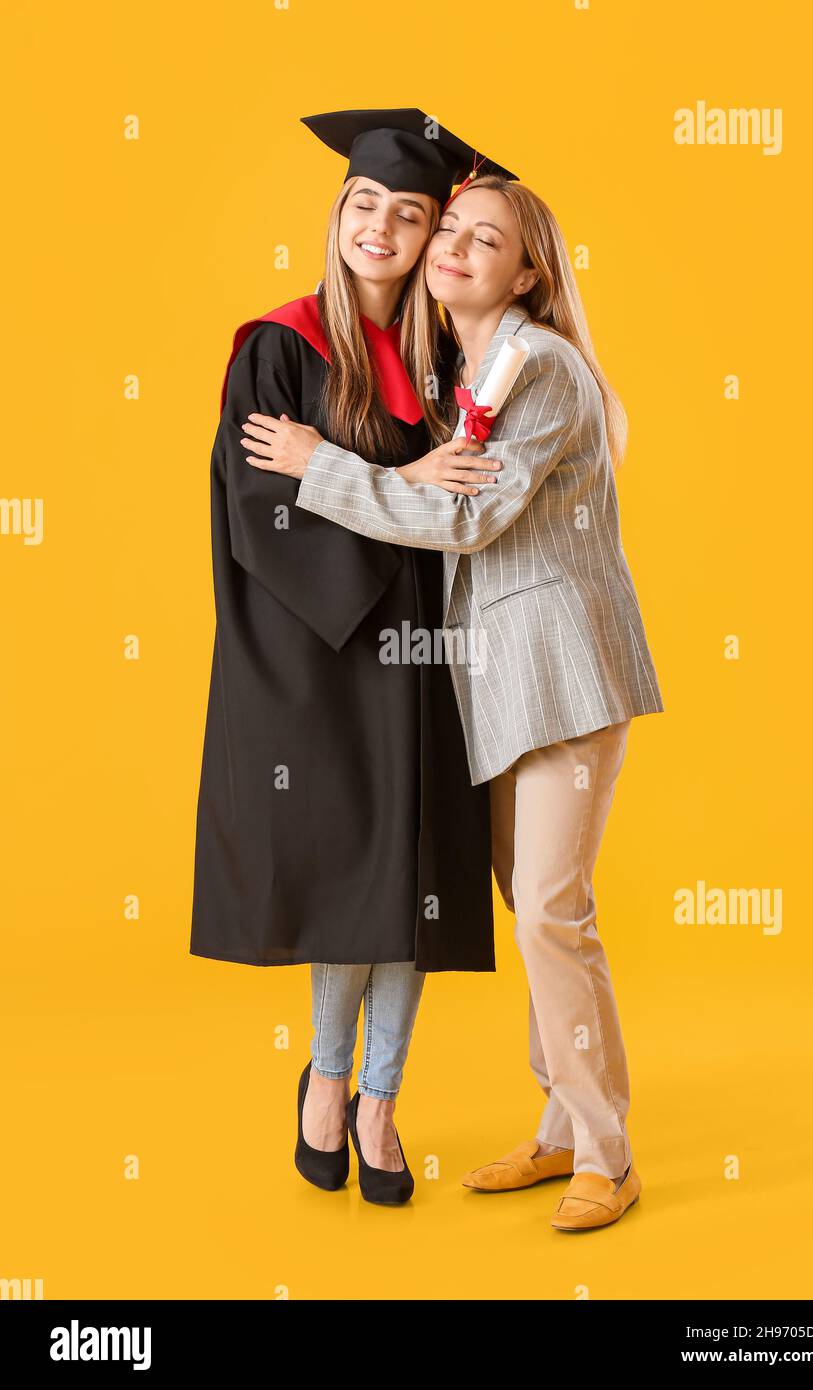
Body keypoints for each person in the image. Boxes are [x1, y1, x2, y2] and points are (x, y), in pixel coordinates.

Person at [241, 172, 665, 1230]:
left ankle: (605, 1154)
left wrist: (315, 465)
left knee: (552, 917)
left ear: (527, 272)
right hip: (496, 688)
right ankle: (562, 1126)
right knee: (540, 915)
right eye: (454, 231)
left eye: (488, 240)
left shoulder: (540, 369)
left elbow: (463, 525)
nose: (454, 248)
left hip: (562, 676)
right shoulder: (459, 369)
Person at [190, 111, 516, 1206]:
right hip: (319, 659)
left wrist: (364, 474)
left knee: (412, 882)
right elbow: (262, 514)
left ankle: (379, 1101)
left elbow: (464, 494)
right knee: (350, 883)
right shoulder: (281, 347)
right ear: (339, 213)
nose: (381, 226)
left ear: (432, 237)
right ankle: (327, 1085)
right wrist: (402, 488)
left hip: (423, 653)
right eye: (366, 204)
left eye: (409, 213)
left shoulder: (441, 363)